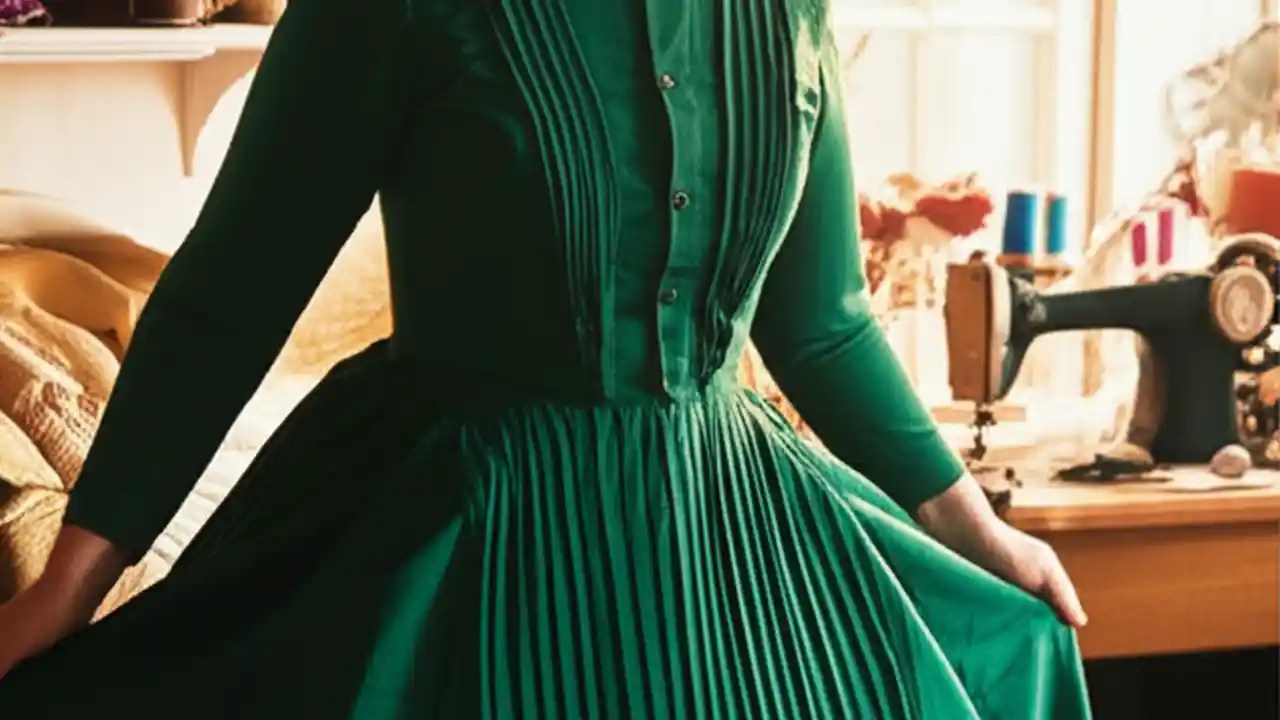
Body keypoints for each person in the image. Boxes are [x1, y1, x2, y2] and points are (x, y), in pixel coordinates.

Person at [0, 0, 1092, 717]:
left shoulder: (785, 12)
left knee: (1015, 652)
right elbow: (231, 297)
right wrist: (70, 583)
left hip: (735, 543)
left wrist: (978, 531)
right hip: (460, 538)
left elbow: (822, 323)